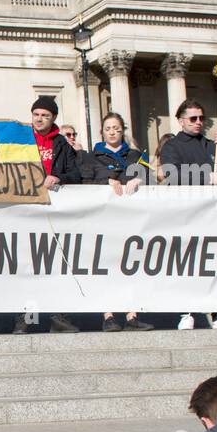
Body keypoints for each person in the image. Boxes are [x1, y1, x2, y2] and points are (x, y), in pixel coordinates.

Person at [161, 100, 217, 332]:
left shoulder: (212, 145)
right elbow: (171, 173)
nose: (199, 122)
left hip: (214, 213)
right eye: (193, 118)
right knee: (189, 262)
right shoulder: (172, 145)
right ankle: (187, 312)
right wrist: (204, 177)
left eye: (201, 118)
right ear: (181, 120)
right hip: (187, 212)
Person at [80, 113, 154, 333]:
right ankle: (109, 315)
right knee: (106, 267)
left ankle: (132, 315)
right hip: (103, 221)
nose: (112, 132)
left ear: (123, 131)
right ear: (102, 131)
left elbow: (151, 176)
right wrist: (107, 181)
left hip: (131, 221)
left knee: (130, 266)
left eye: (117, 128)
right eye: (108, 128)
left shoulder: (135, 155)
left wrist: (140, 179)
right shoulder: (91, 157)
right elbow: (84, 181)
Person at [15, 96, 82, 334]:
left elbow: (77, 175)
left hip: (55, 212)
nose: (39, 119)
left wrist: (59, 177)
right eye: (36, 114)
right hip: (25, 211)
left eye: (45, 115)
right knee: (26, 266)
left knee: (57, 265)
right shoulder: (20, 139)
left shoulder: (62, 144)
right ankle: (26, 318)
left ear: (53, 118)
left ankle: (59, 316)